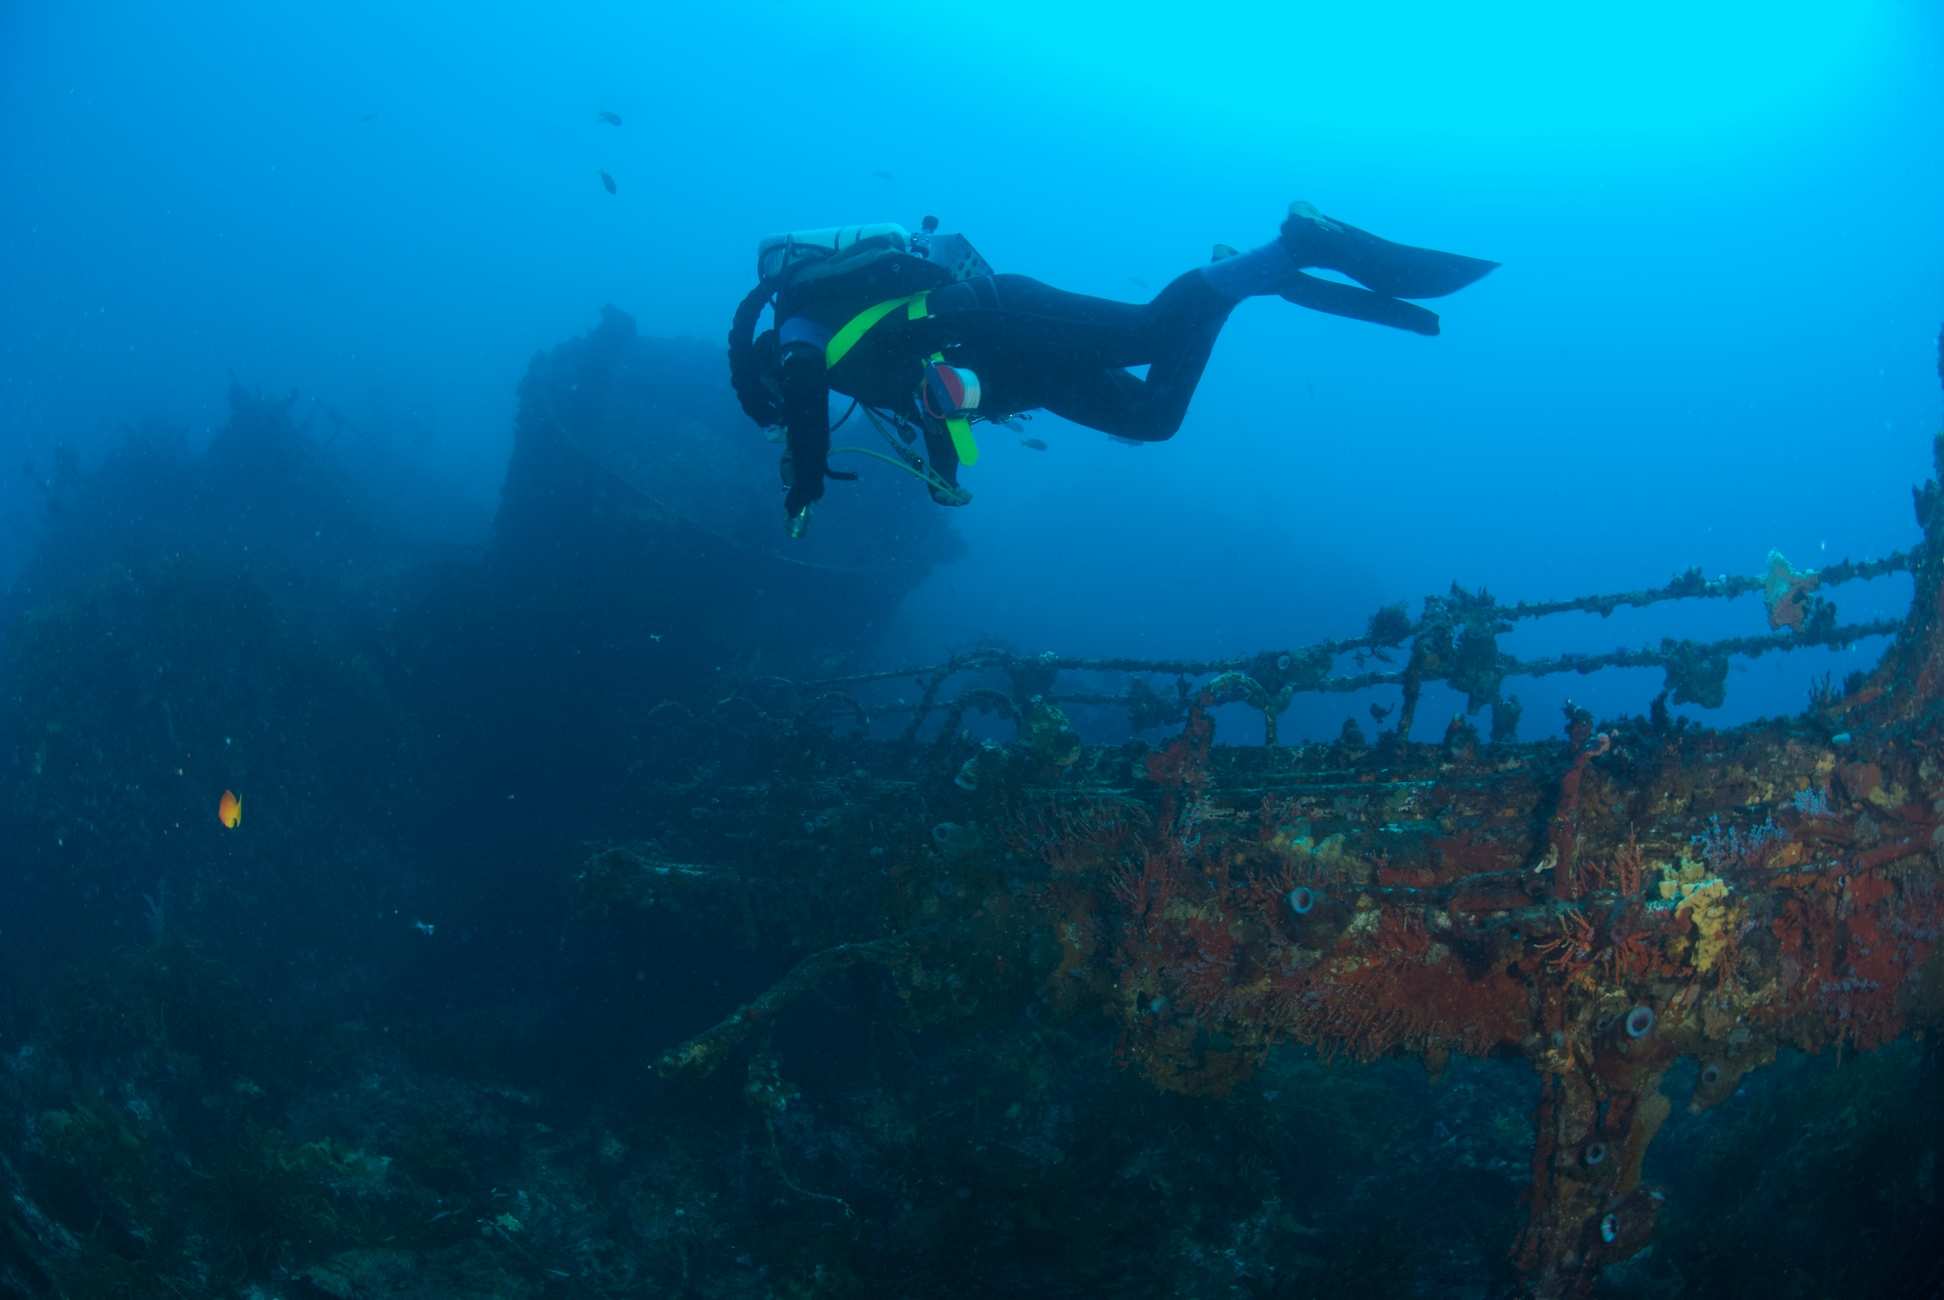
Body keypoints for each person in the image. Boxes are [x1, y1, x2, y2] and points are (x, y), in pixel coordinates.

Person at [727, 202, 1497, 534]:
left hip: (1001, 313)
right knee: (1153, 419)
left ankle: (1295, 244)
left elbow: (803, 389)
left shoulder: (802, 324)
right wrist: (945, 482)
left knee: (1149, 332)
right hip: (1025, 371)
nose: (790, 413)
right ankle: (1235, 278)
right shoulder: (858, 371)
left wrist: (805, 483)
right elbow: (933, 409)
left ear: (766, 372)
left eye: (775, 412)